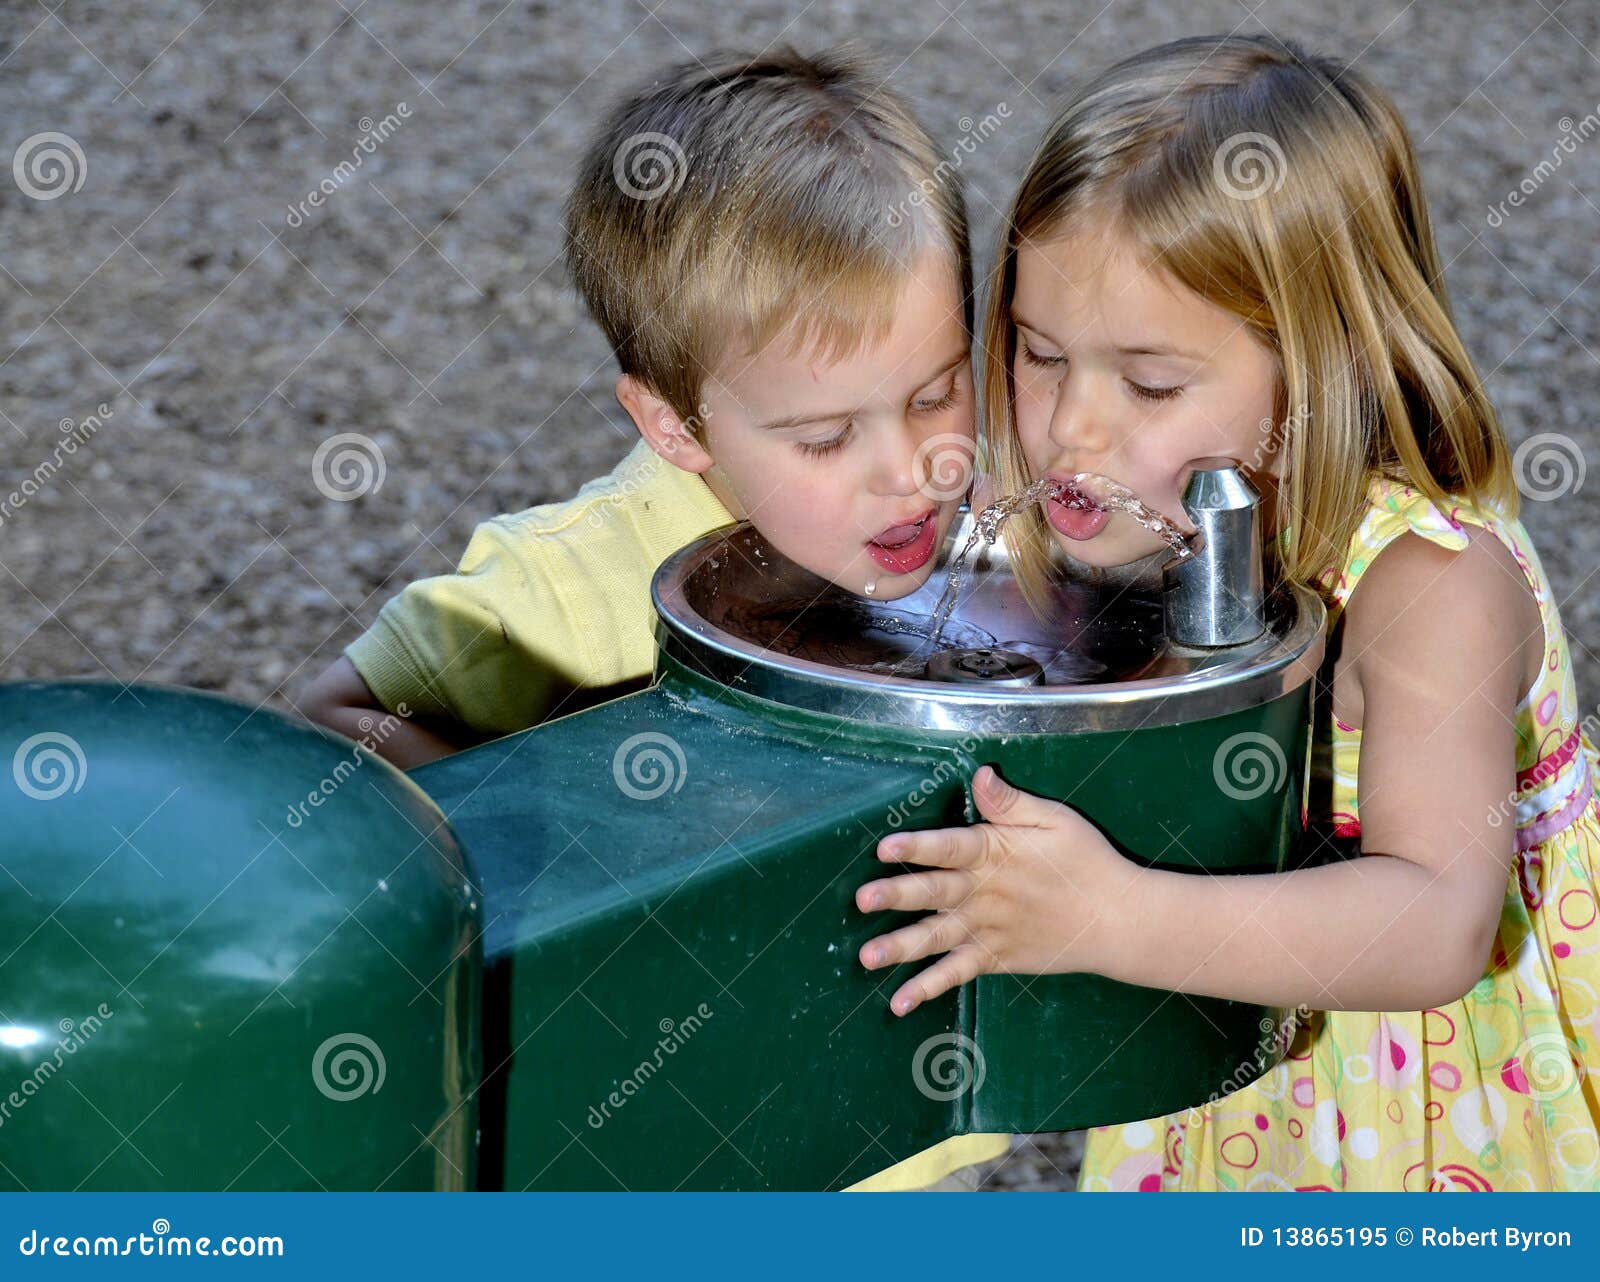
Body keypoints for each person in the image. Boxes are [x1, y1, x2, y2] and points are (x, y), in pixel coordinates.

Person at [855, 33, 1600, 1191]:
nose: (1069, 430)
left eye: (1149, 382)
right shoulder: (1175, 523)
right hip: (1247, 1078)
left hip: (1433, 1125)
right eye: (1040, 354)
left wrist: (1108, 917)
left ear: (1319, 366)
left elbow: (1436, 922)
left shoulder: (1429, 590)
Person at [302, 44, 1009, 1192]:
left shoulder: (980, 536)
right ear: (677, 423)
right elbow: (332, 722)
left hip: (899, 1129)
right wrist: (576, 826)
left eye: (937, 389)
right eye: (826, 438)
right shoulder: (571, 585)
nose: (914, 467)